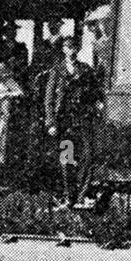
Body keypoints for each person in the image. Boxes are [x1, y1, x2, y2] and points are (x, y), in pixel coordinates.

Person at [44, 35, 104, 207]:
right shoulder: (56, 71)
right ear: (63, 49)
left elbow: (96, 93)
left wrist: (96, 105)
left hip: (83, 120)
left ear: (77, 50)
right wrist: (51, 123)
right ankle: (69, 195)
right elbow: (49, 100)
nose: (71, 50)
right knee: (67, 159)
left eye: (73, 47)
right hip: (64, 122)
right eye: (68, 47)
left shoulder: (85, 70)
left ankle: (81, 195)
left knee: (88, 155)